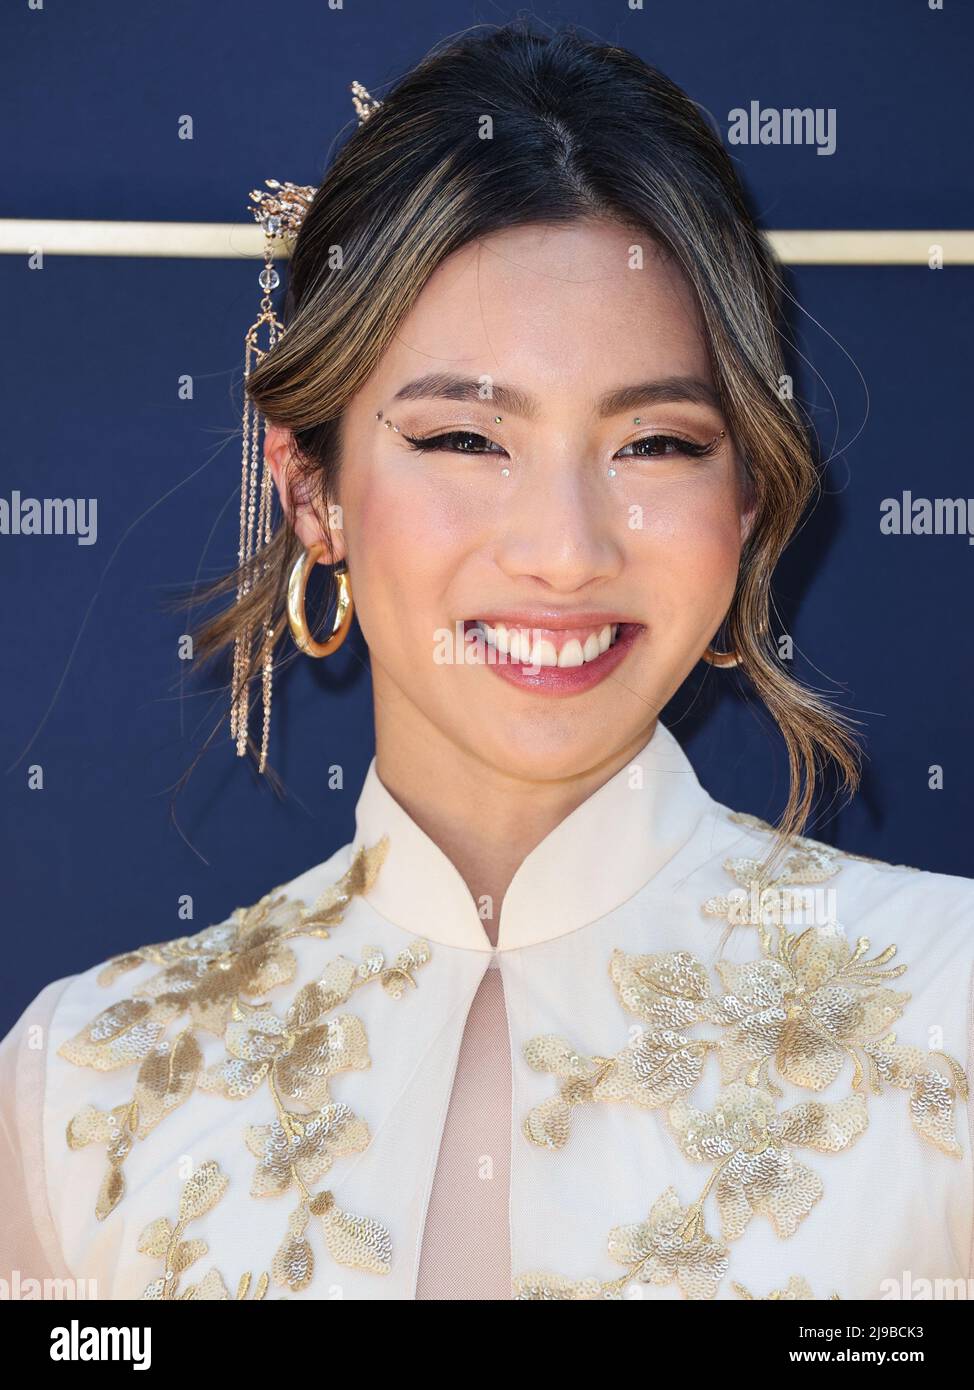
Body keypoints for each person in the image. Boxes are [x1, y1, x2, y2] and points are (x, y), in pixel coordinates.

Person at [2, 22, 971, 1302]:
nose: (564, 551)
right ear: (313, 491)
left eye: (657, 444)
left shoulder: (947, 1011)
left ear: (743, 502)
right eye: (463, 437)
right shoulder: (84, 1088)